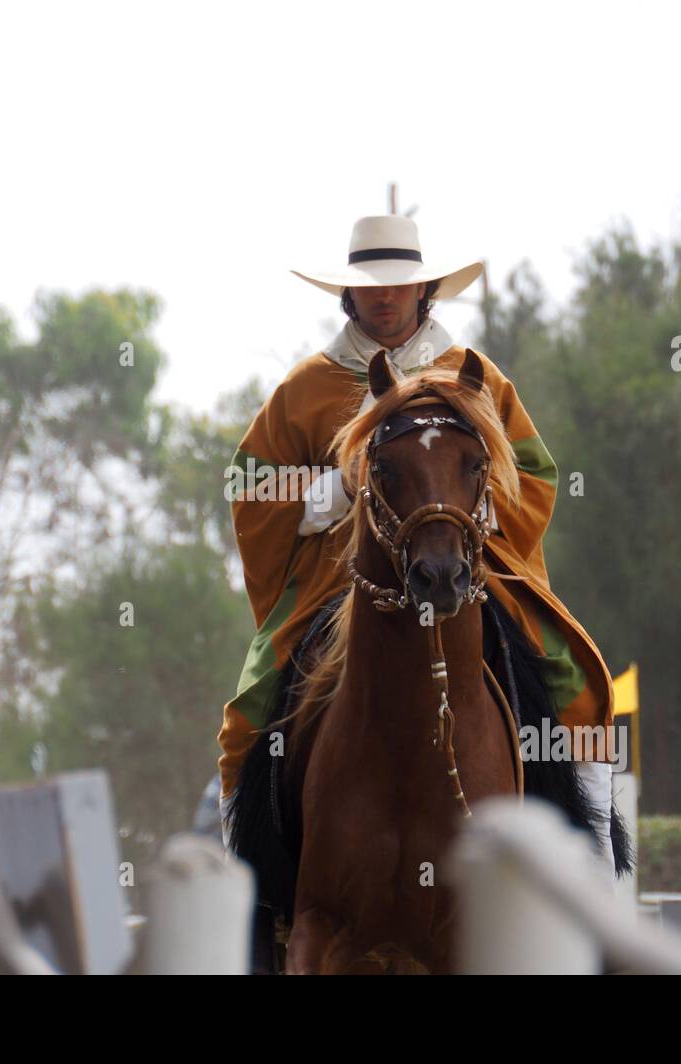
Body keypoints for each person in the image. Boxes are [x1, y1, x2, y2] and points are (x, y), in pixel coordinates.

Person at [216, 214, 618, 864]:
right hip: (340, 581)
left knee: (573, 684)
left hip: (462, 566)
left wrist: (475, 509)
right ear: (348, 295)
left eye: (398, 285)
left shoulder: (473, 376)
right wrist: (326, 494)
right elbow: (252, 486)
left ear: (423, 291)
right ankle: (250, 897)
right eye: (371, 287)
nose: (384, 297)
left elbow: (535, 470)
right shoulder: (305, 389)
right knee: (251, 713)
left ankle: (598, 874)